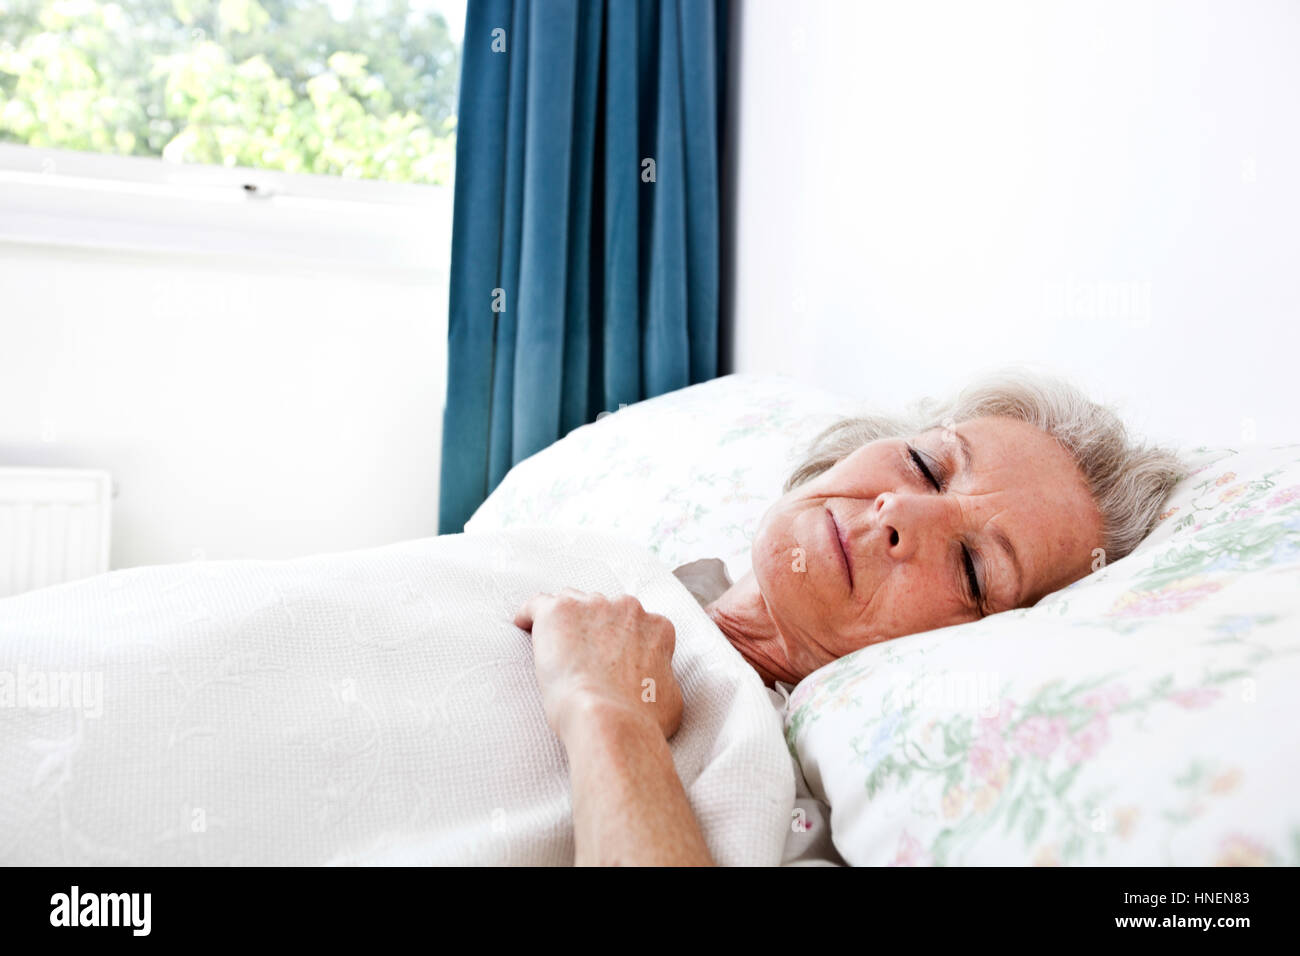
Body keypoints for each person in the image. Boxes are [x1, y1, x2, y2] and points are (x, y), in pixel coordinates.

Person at [514, 369, 1188, 865]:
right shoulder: (618, 563)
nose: (900, 512)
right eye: (926, 464)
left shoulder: (794, 809)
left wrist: (607, 711)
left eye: (974, 568)